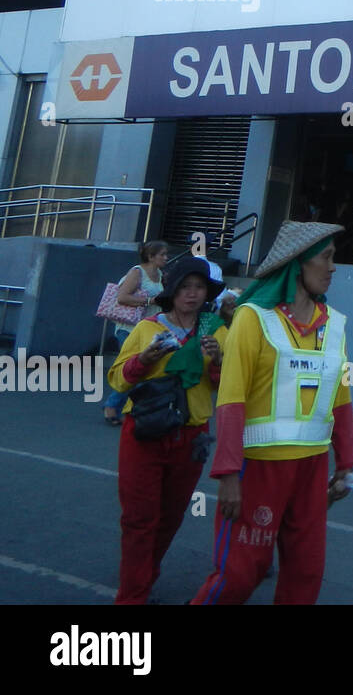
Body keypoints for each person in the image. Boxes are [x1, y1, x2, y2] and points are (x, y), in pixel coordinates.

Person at [191, 221, 353, 605]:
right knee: (237, 576)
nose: (333, 267)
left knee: (306, 574)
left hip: (311, 469)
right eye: (327, 258)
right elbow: (231, 400)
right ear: (297, 264)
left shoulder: (334, 326)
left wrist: (346, 464)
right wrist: (229, 475)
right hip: (258, 469)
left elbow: (340, 399)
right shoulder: (253, 319)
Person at [107, 254, 225, 604]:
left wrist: (218, 360)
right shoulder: (148, 328)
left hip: (190, 438)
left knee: (170, 518)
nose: (192, 294)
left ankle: (144, 573)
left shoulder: (216, 330)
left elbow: (230, 384)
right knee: (139, 519)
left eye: (199, 287)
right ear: (171, 291)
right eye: (185, 287)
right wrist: (144, 360)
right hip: (143, 433)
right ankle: (133, 594)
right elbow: (117, 378)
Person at [103, 241, 169, 426]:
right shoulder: (137, 272)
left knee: (142, 370)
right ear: (151, 256)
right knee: (132, 369)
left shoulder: (160, 275)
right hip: (129, 328)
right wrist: (149, 300)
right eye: (162, 254)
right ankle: (112, 406)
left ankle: (124, 407)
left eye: (166, 254)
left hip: (148, 328)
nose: (166, 257)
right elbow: (122, 297)